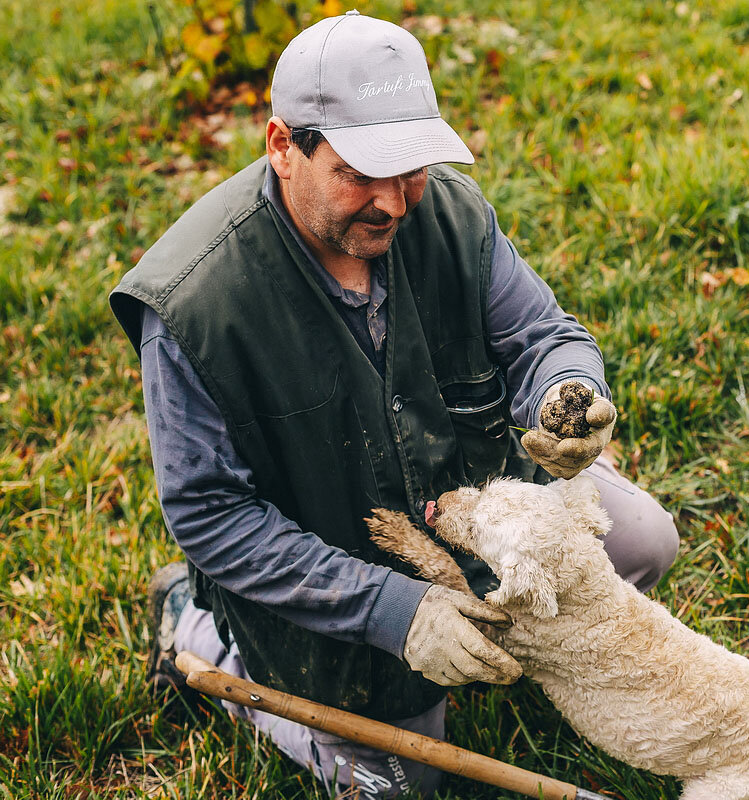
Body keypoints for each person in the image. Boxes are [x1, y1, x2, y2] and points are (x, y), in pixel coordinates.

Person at [110, 11, 678, 798]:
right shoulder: (195, 302)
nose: (393, 202)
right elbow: (209, 513)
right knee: (401, 782)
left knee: (644, 540)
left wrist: (565, 390)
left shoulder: (448, 211)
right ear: (282, 146)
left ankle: (522, 644)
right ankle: (198, 629)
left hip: (466, 501)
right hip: (331, 572)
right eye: (358, 172)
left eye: (407, 167)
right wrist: (396, 611)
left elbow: (541, 333)